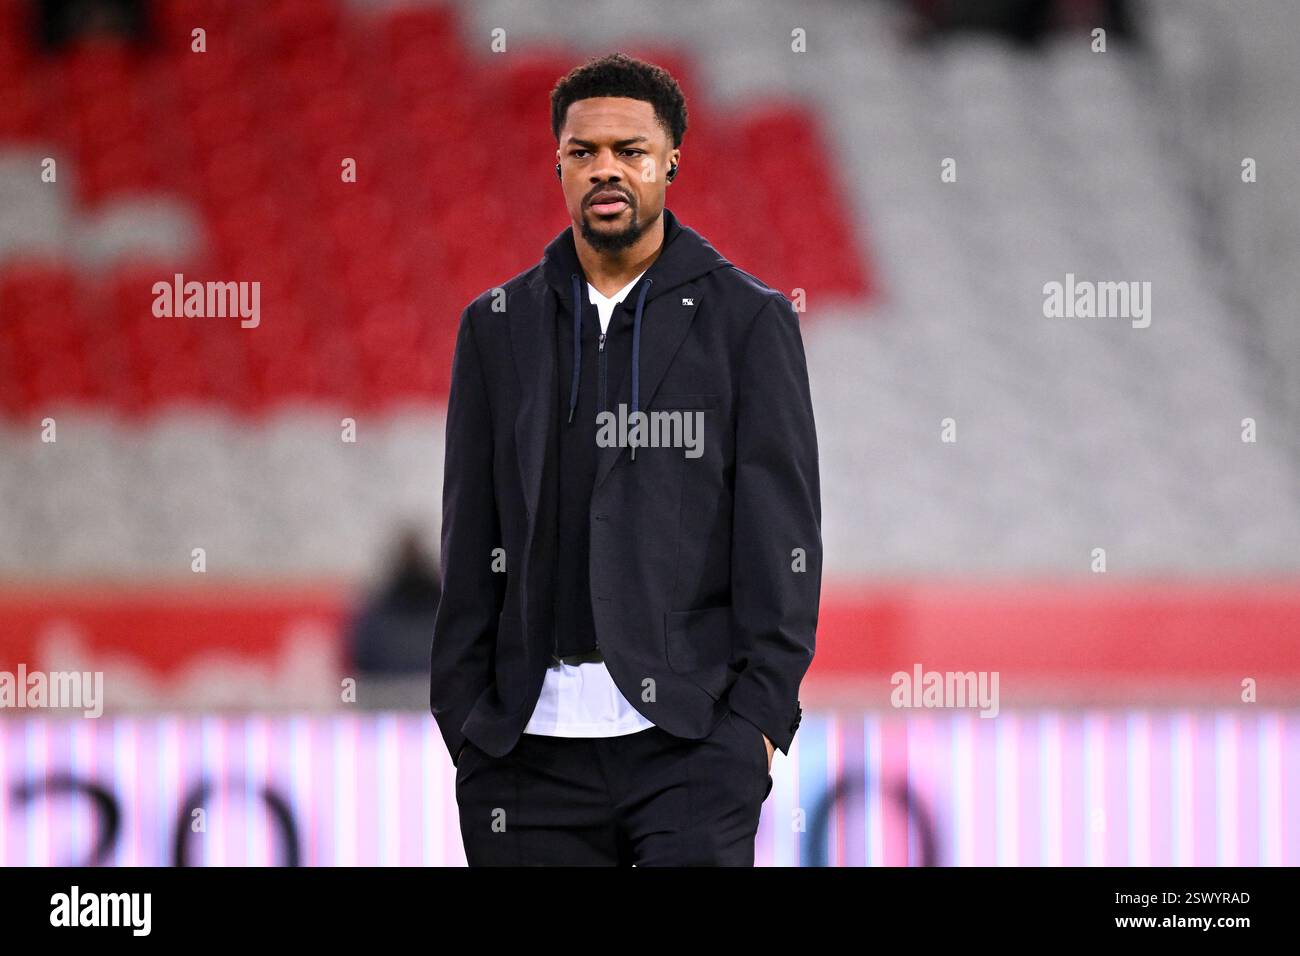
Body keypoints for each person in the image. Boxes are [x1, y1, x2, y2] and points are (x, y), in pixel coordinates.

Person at [429, 52, 821, 865]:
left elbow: (783, 543)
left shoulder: (748, 322)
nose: (606, 169)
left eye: (630, 150)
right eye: (584, 152)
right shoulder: (496, 326)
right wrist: (465, 720)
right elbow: (469, 537)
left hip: (692, 748)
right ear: (559, 164)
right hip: (521, 757)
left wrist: (754, 726)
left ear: (672, 159)